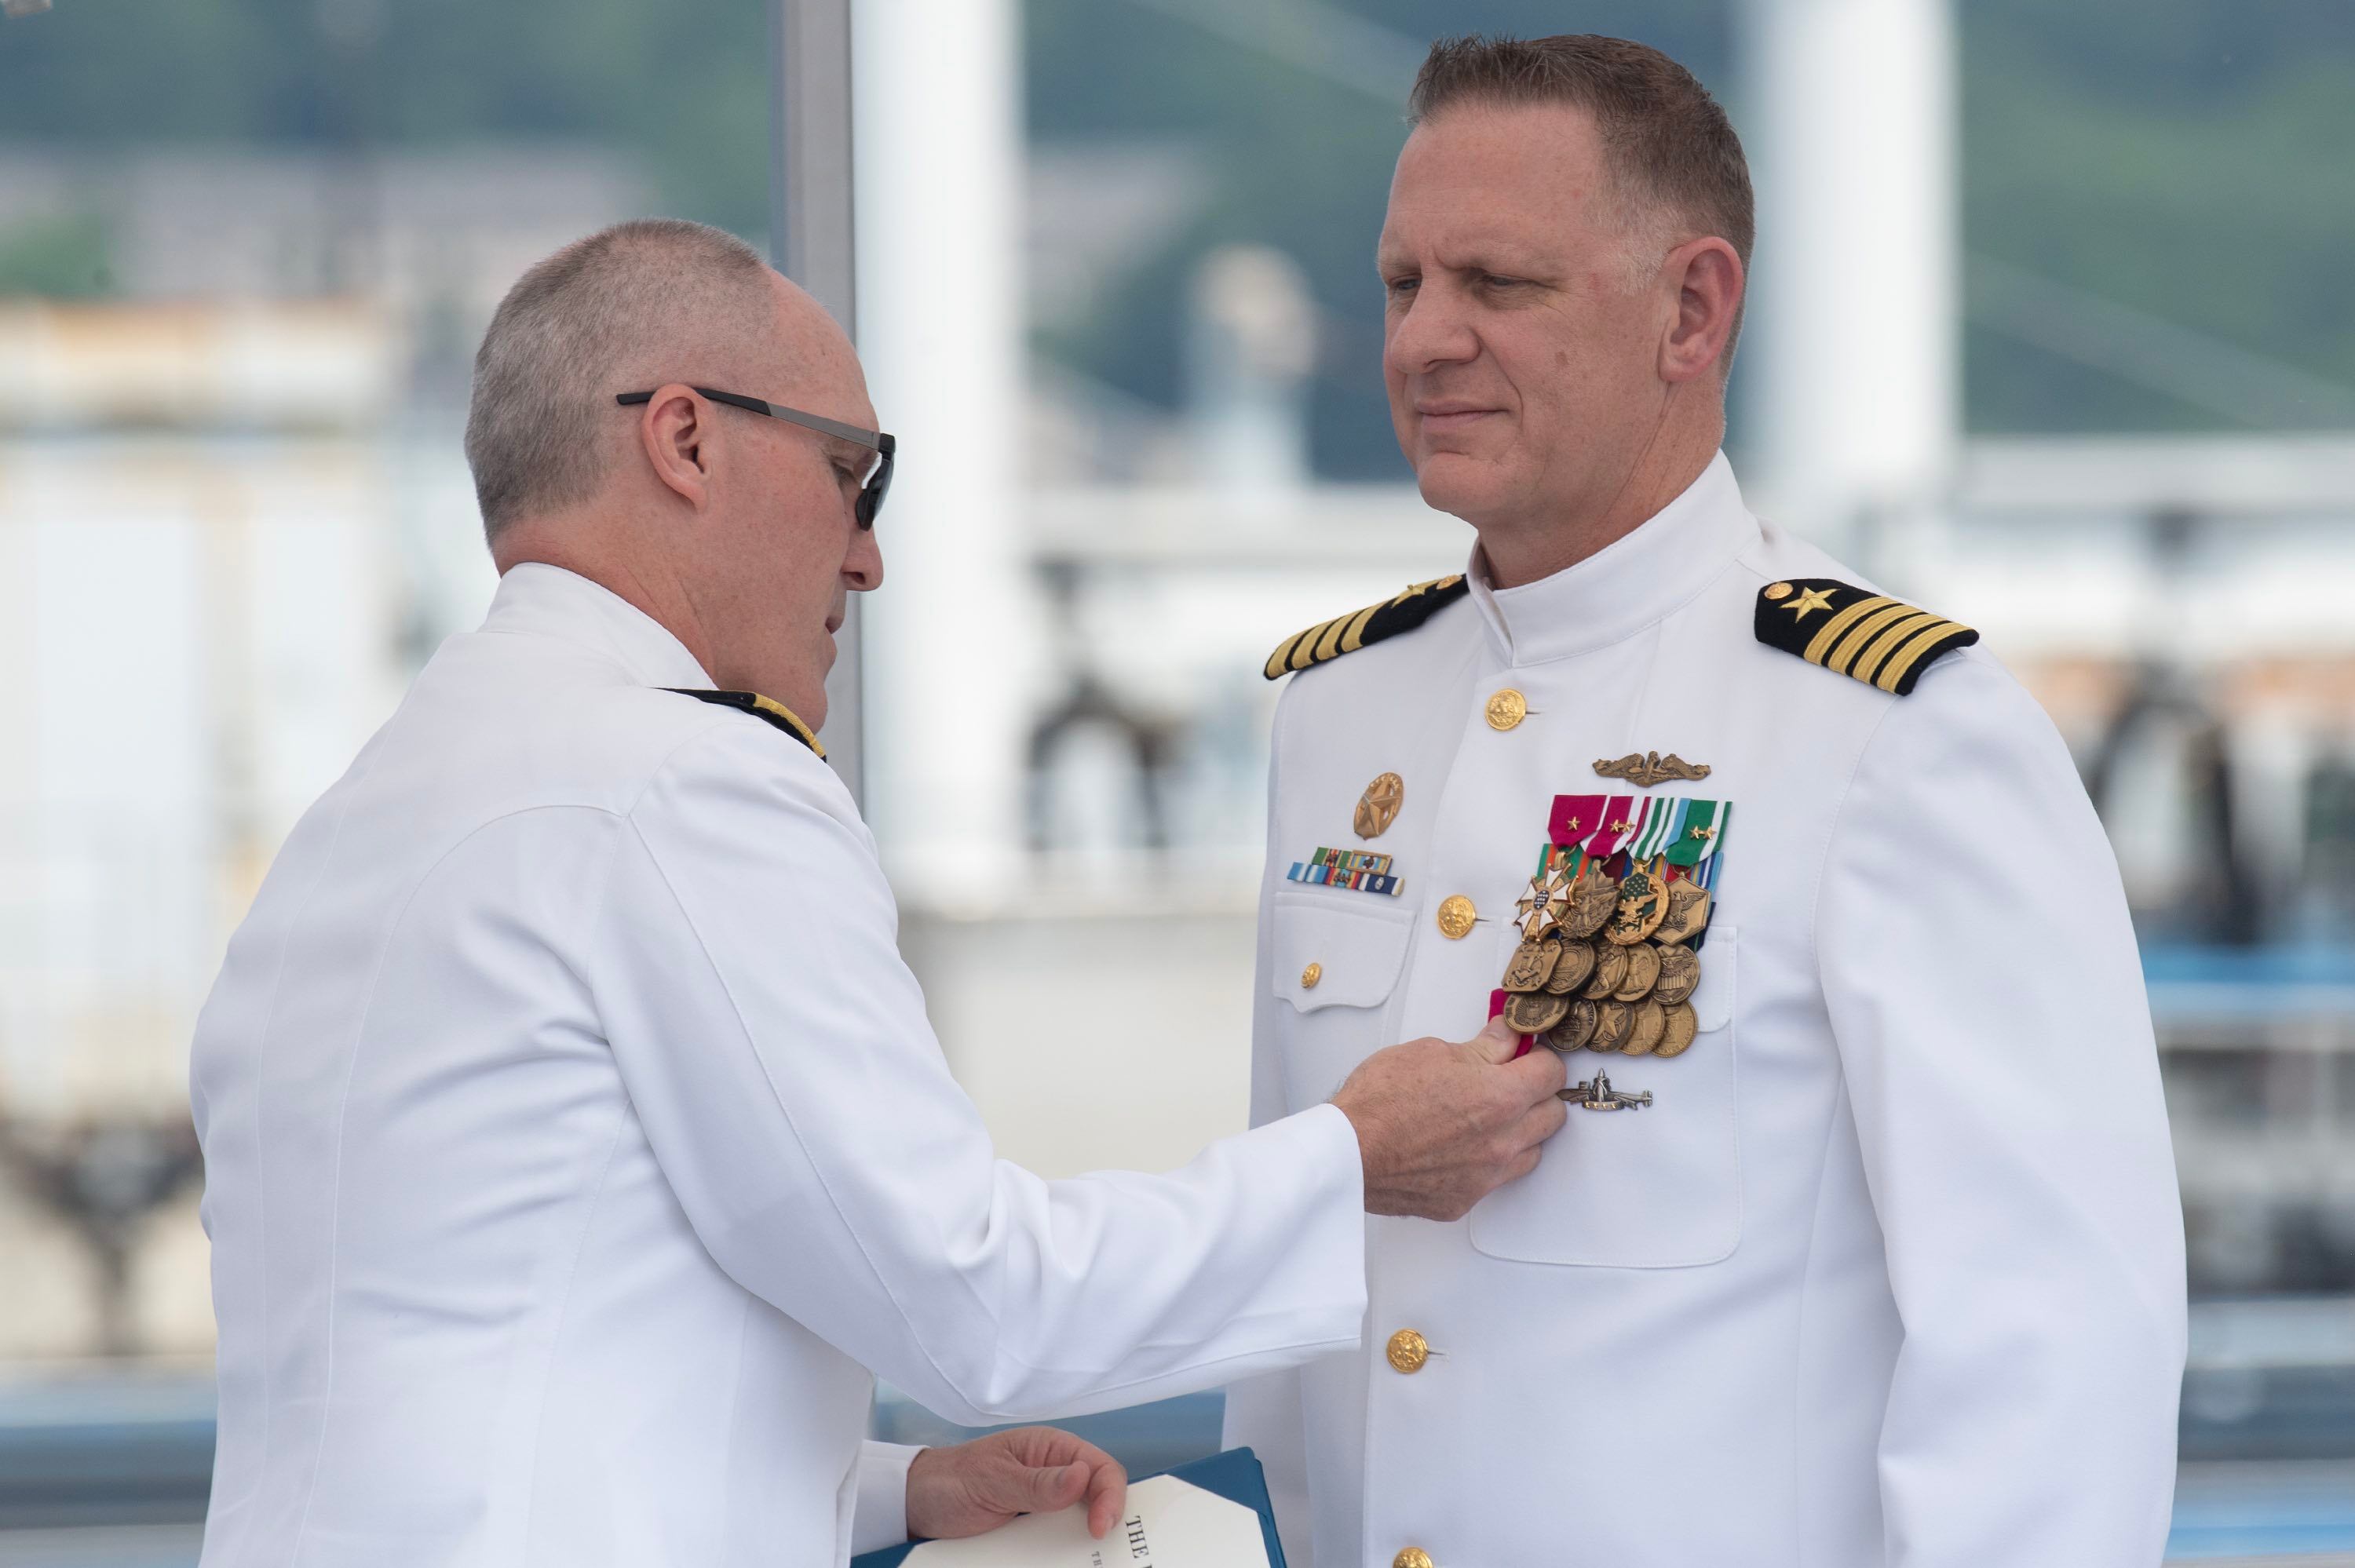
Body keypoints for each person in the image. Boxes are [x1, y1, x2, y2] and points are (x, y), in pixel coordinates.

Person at [187, 219, 1570, 1567]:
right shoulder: (684, 777)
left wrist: (894, 1491)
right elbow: (977, 1301)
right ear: (684, 439)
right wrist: (1351, 1161)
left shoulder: (370, 814)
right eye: (854, 473)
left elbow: (478, 1373)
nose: (868, 553)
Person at [1224, 33, 2186, 1568]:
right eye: (1407, 286)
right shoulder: (1339, 717)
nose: (1425, 340)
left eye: (1502, 286)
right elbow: (1304, 1303)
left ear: (1693, 308)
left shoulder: (1890, 733)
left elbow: (2053, 1349)